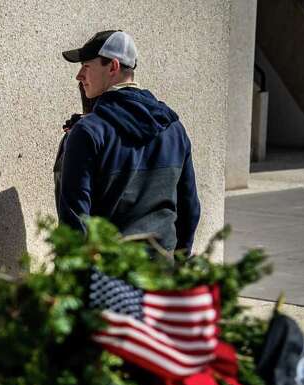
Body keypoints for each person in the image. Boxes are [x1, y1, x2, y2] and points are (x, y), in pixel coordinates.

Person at [56, 30, 200, 253]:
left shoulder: (87, 132)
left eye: (86, 66)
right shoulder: (174, 127)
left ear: (113, 67)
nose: (79, 76)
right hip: (162, 272)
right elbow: (189, 208)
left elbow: (75, 219)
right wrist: (178, 266)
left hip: (109, 279)